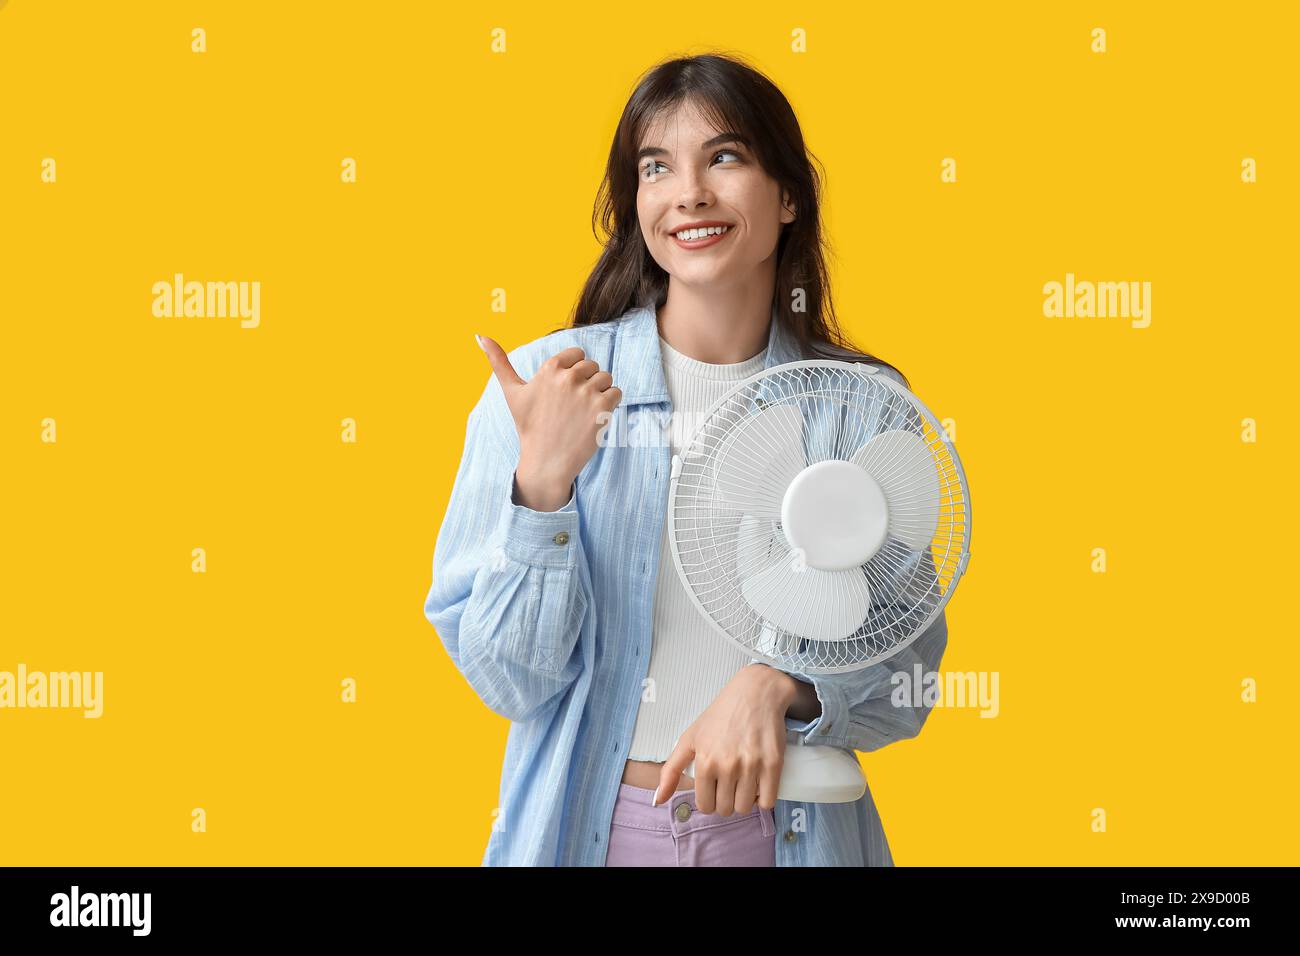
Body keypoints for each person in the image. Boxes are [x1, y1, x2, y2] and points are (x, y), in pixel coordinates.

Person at [424, 52, 948, 866]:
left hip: (790, 837)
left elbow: (906, 681)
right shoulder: (545, 389)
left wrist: (782, 686)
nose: (690, 193)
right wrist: (544, 490)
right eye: (657, 167)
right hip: (586, 838)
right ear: (638, 207)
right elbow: (508, 680)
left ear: (787, 196)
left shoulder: (859, 410)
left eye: (726, 157)